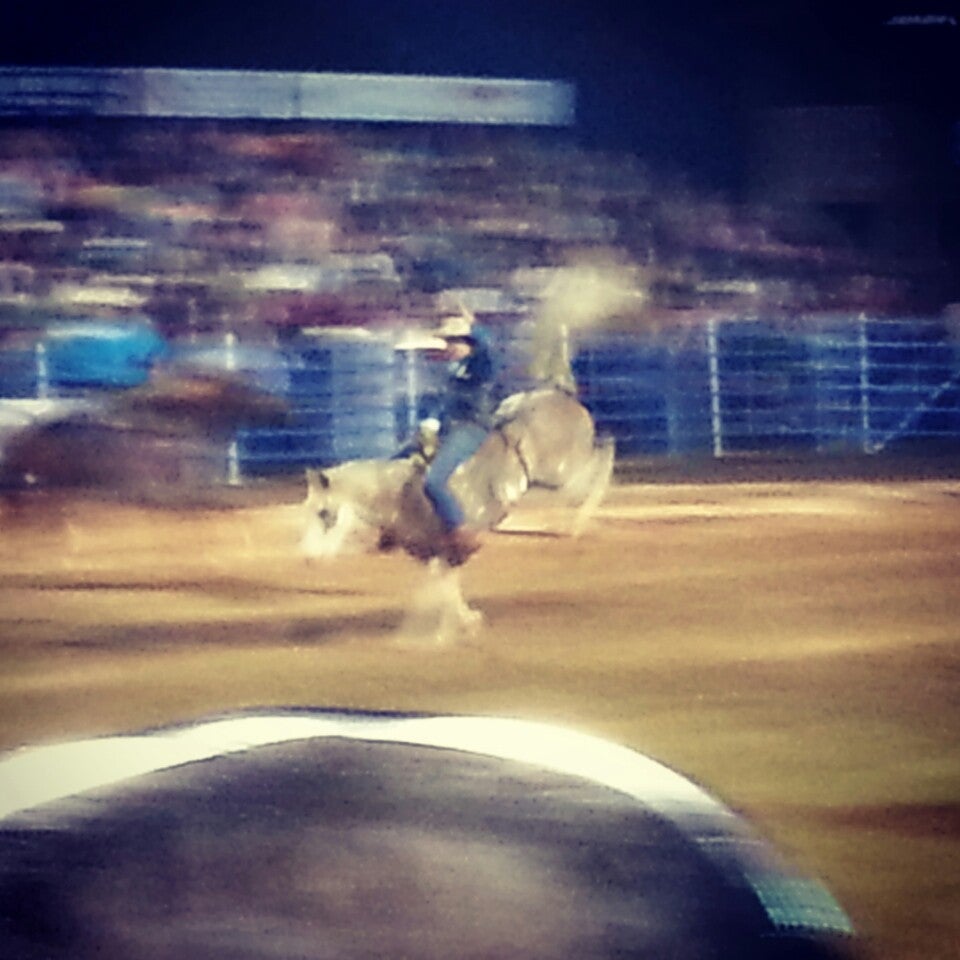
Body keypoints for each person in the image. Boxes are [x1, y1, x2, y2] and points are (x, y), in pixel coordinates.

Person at [422, 308, 497, 564]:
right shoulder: (455, 368)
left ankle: (460, 530)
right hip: (452, 426)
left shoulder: (481, 364)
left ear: (470, 344)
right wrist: (430, 425)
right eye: (448, 341)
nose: (450, 346)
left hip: (472, 426)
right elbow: (444, 401)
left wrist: (474, 324)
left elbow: (488, 349)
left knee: (433, 482)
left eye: (456, 341)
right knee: (397, 463)